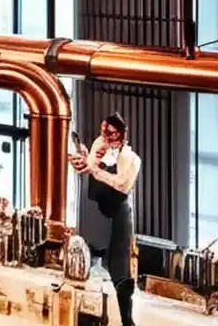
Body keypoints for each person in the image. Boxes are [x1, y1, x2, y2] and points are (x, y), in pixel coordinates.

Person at [69, 112, 141, 326]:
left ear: (121, 135)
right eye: (103, 131)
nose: (105, 137)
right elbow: (88, 168)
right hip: (96, 209)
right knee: (90, 264)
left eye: (110, 134)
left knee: (119, 269)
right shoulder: (99, 144)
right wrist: (81, 161)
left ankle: (126, 319)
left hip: (118, 212)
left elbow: (122, 184)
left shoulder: (131, 159)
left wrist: (94, 169)